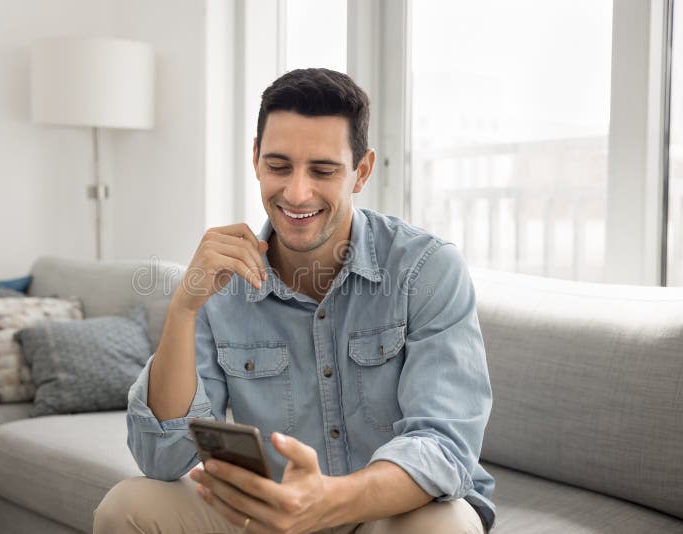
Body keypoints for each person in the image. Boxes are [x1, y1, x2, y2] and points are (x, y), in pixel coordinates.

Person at [93, 68, 495, 533]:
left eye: (322, 170)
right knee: (126, 506)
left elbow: (443, 446)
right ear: (256, 159)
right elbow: (162, 457)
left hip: (390, 510)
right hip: (271, 515)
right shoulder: (223, 282)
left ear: (361, 172)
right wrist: (185, 309)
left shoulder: (425, 269)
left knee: (442, 527)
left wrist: (327, 501)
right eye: (279, 166)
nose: (296, 192)